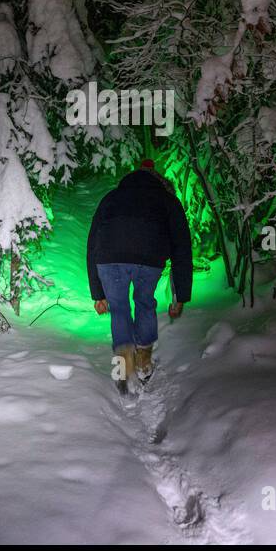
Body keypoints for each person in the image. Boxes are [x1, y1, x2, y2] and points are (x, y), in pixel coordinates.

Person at [86, 159, 193, 392]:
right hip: (149, 258)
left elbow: (93, 241)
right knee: (145, 303)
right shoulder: (167, 201)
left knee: (119, 308)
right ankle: (143, 362)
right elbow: (181, 246)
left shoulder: (111, 198)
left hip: (109, 257)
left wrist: (98, 293)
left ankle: (122, 368)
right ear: (160, 181)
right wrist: (180, 294)